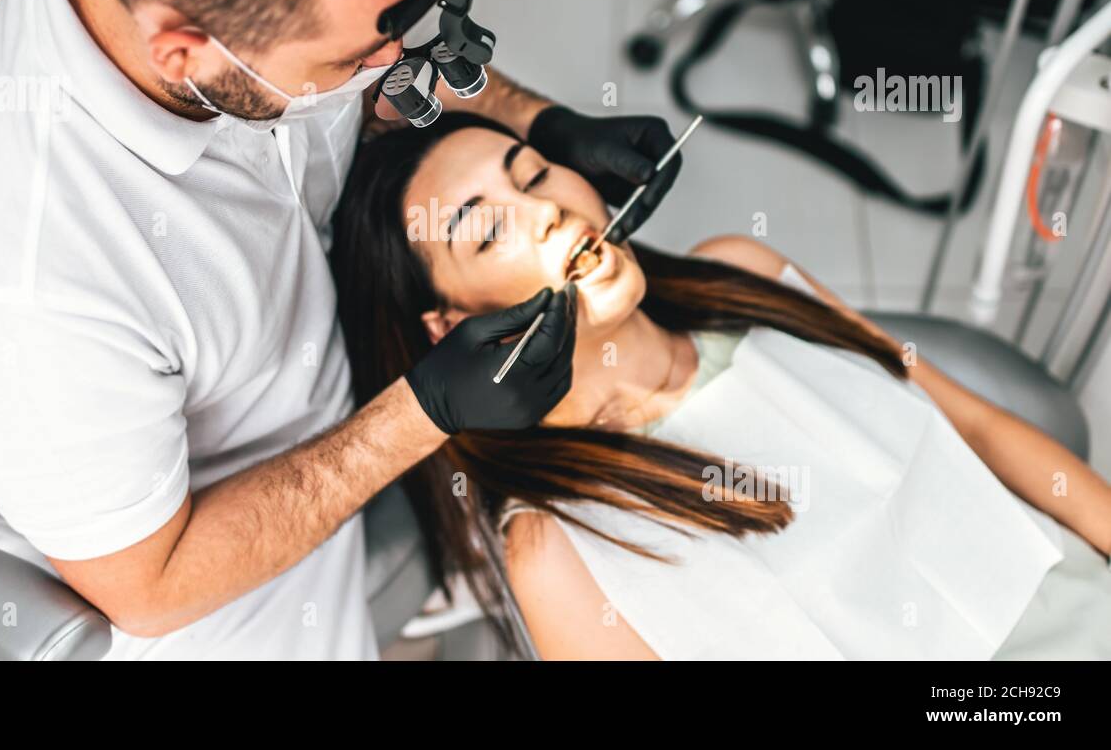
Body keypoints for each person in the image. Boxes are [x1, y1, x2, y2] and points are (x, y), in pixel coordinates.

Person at [0, 0, 683, 658]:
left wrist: (538, 121)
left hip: (336, 379)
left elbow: (379, 67)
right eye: (349, 59)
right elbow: (150, 588)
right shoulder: (28, 281)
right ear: (184, 52)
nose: (393, 65)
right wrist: (422, 412)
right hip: (230, 599)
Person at [330, 113, 1111, 660]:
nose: (545, 211)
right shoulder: (553, 546)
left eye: (533, 174)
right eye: (489, 229)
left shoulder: (745, 271)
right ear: (448, 327)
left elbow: (976, 427)